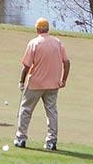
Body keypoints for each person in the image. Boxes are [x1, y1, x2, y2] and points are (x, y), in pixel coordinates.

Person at [13, 17, 69, 151]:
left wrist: (21, 81)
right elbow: (66, 63)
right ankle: (51, 142)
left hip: (35, 84)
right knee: (52, 113)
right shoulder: (57, 42)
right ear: (48, 29)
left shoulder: (34, 43)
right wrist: (64, 80)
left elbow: (26, 66)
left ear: (37, 29)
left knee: (25, 110)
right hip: (53, 84)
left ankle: (21, 139)